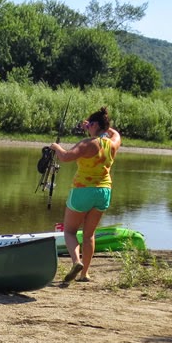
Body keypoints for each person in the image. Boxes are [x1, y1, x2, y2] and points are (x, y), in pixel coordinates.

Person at [49, 106, 121, 284]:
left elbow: (65, 157)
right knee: (89, 235)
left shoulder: (87, 144)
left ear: (95, 125)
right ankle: (85, 274)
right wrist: (97, 126)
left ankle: (76, 262)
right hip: (104, 192)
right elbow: (115, 133)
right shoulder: (112, 144)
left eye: (90, 125)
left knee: (70, 231)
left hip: (82, 191)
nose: (87, 127)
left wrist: (55, 146)